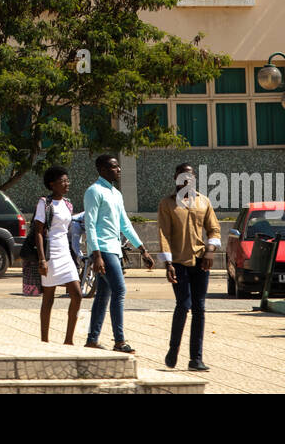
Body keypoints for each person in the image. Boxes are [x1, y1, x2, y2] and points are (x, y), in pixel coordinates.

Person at [83, 154, 154, 353]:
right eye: (114, 167)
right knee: (120, 290)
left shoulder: (115, 193)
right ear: (103, 170)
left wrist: (142, 249)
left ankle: (92, 339)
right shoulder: (94, 191)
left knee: (103, 295)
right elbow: (89, 224)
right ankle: (119, 341)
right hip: (102, 250)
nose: (119, 170)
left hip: (114, 249)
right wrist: (95, 255)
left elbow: (125, 224)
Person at [158, 163, 222, 371]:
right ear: (175, 178)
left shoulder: (203, 201)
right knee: (183, 305)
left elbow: (214, 229)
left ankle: (196, 358)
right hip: (178, 262)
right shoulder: (167, 204)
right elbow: (164, 235)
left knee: (200, 308)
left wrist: (211, 250)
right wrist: (168, 263)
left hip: (200, 261)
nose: (186, 179)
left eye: (190, 175)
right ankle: (173, 349)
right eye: (182, 175)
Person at [33, 165, 81, 344]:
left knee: (77, 294)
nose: (67, 184)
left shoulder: (68, 203)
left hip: (65, 252)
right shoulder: (44, 203)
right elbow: (38, 231)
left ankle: (69, 339)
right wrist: (42, 259)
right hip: (50, 253)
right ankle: (44, 340)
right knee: (49, 296)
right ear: (52, 184)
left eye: (67, 180)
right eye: (63, 181)